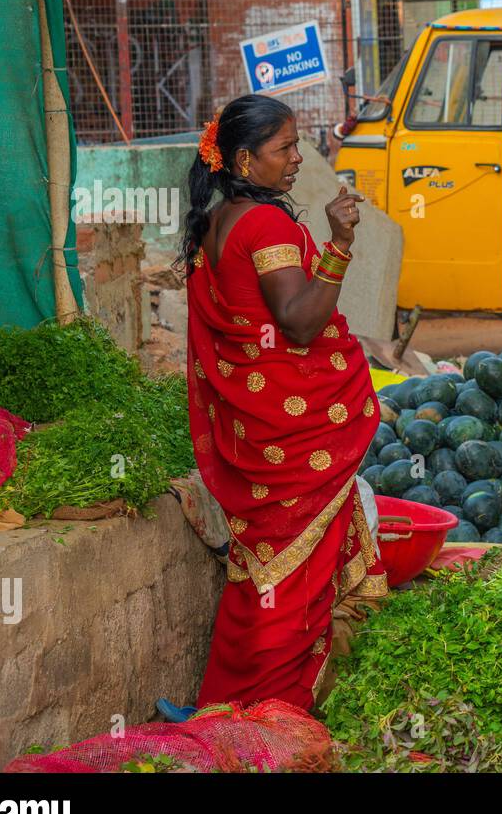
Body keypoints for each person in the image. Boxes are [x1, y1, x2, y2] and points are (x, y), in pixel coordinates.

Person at [165, 94, 387, 718]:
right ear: (243, 158)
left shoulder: (219, 218)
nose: (296, 159)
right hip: (293, 430)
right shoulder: (265, 225)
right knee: (289, 582)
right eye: (284, 149)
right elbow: (299, 323)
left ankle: (232, 702)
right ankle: (269, 710)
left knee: (266, 568)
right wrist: (340, 244)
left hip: (262, 427)